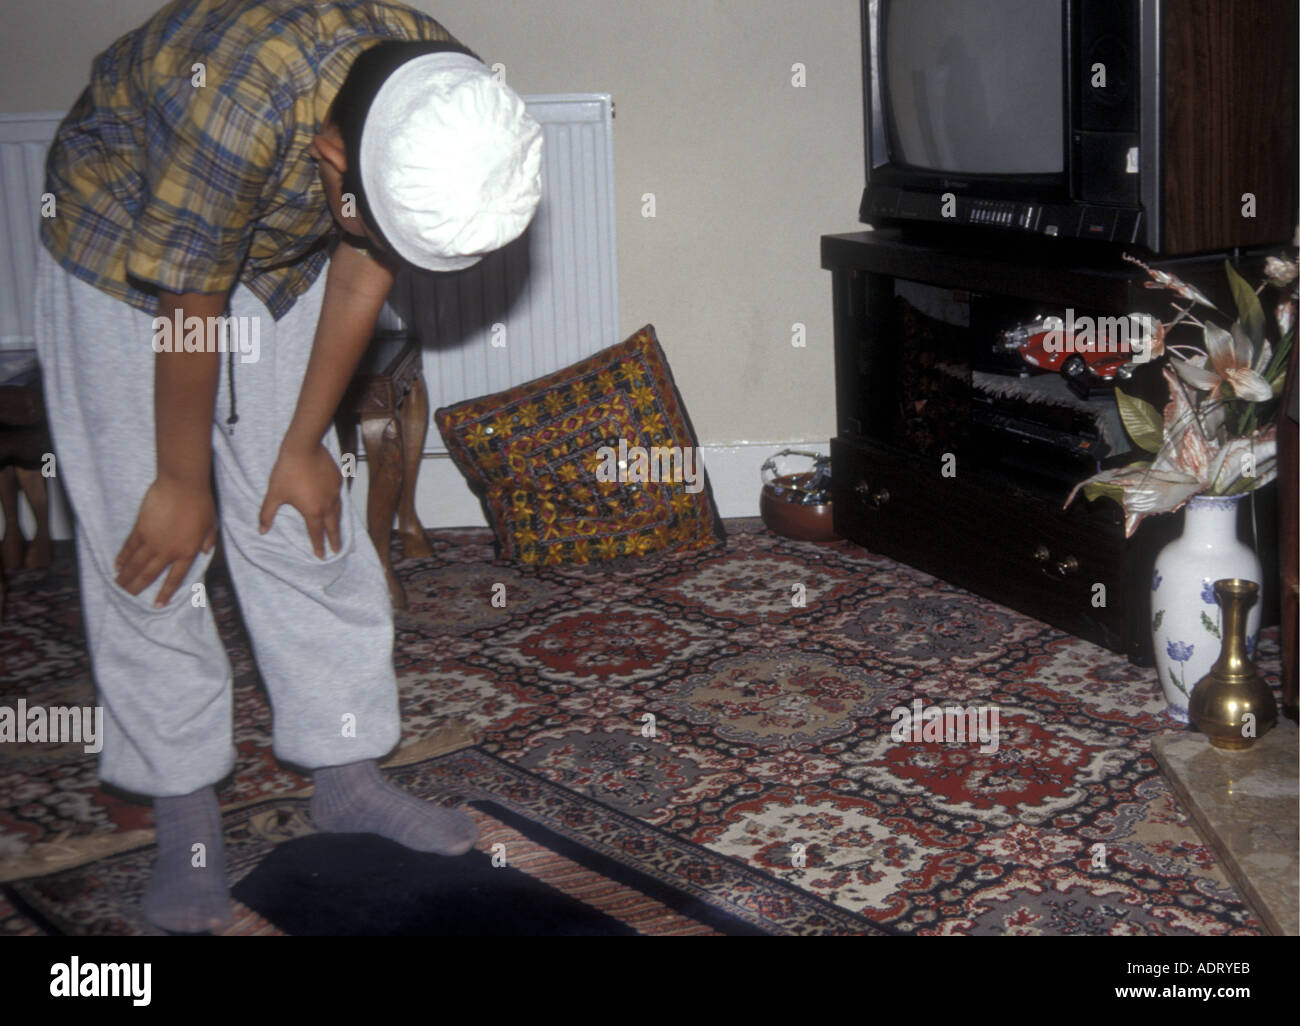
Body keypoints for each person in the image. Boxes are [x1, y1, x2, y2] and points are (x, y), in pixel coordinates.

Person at [35, 0, 543, 933]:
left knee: (306, 514)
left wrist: (304, 443)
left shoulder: (440, 94)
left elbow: (362, 262)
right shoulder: (237, 99)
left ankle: (345, 776)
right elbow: (191, 301)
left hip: (282, 247)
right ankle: (186, 818)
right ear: (336, 156)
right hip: (119, 242)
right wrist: (181, 483)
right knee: (149, 545)